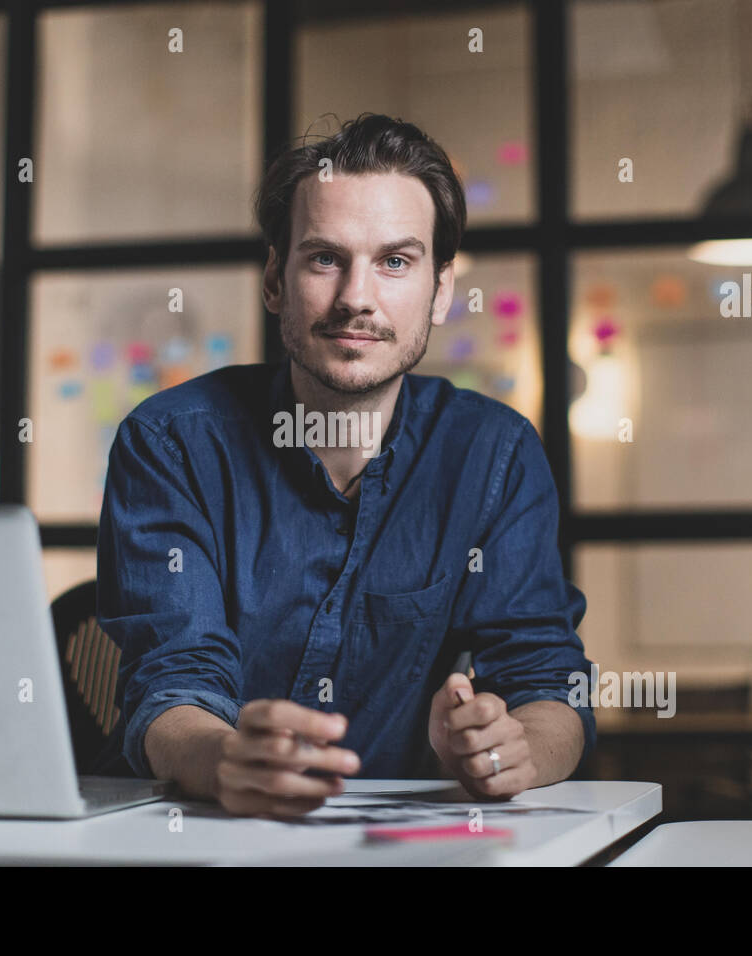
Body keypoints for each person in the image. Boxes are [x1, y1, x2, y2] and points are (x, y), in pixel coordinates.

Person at [93, 113, 595, 819]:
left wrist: (513, 750)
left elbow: (548, 682)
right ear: (275, 279)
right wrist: (225, 757)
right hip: (192, 834)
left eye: (396, 261)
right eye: (326, 258)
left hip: (398, 849)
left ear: (441, 291)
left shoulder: (495, 455)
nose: (357, 297)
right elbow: (172, 683)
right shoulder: (171, 442)